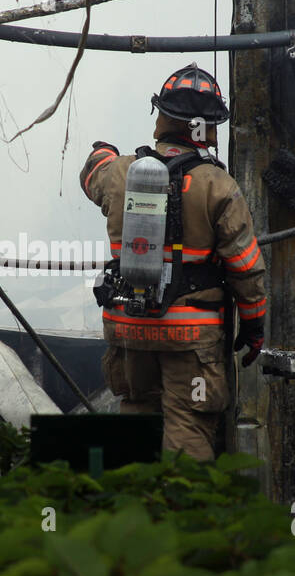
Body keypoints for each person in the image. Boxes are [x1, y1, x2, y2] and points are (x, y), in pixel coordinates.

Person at [80, 63, 266, 461]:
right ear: (208, 128)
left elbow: (92, 173)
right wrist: (254, 328)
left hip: (129, 329)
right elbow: (246, 268)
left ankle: (136, 517)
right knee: (188, 429)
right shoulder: (218, 185)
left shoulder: (122, 171)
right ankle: (184, 516)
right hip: (190, 336)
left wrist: (103, 152)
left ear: (161, 117)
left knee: (136, 419)